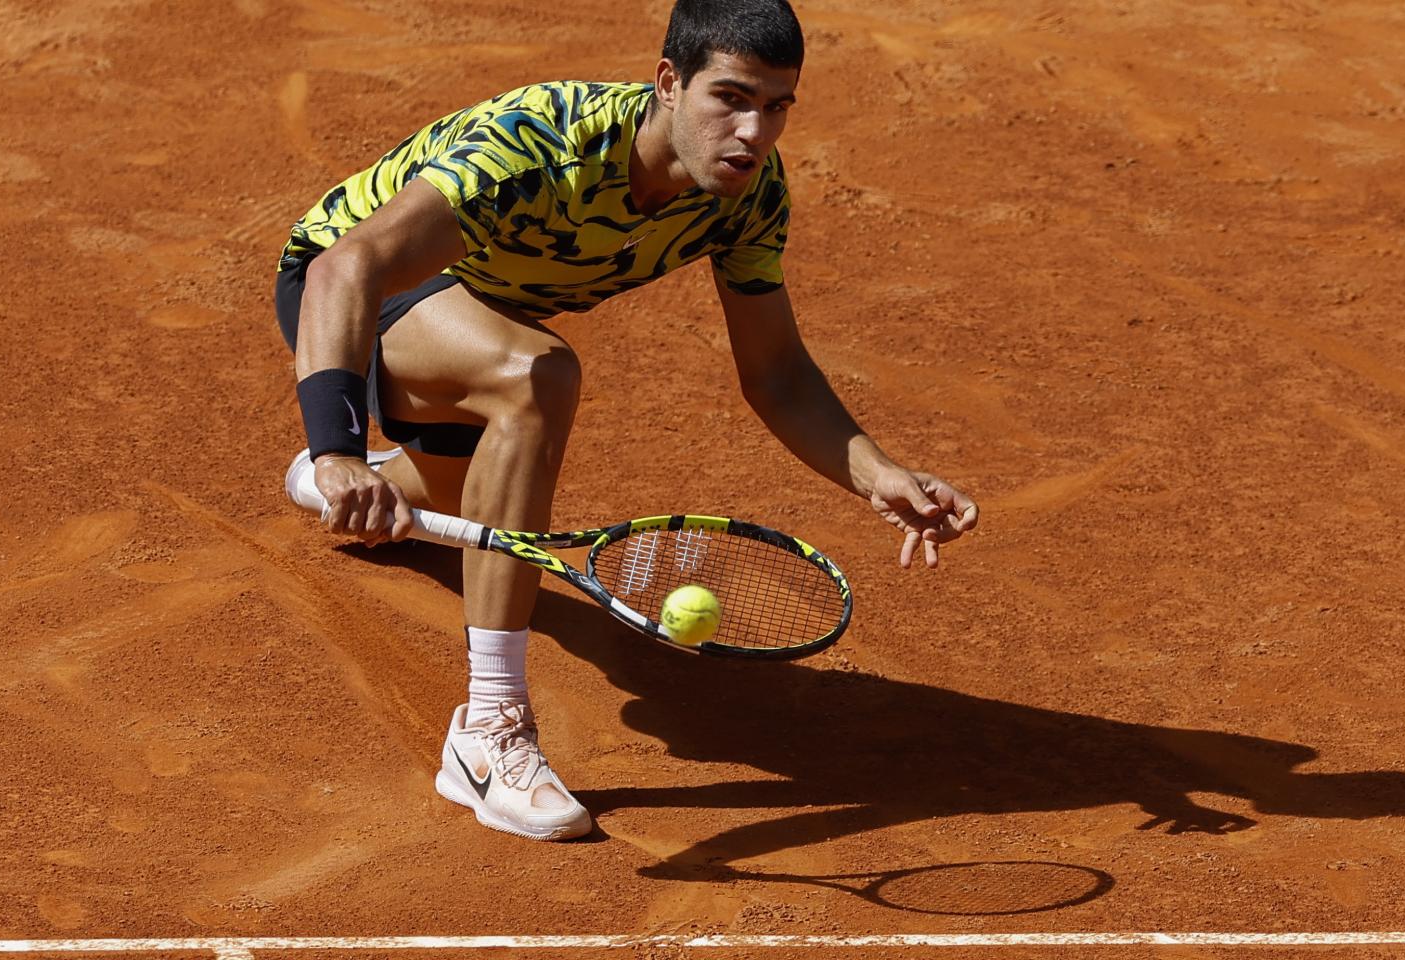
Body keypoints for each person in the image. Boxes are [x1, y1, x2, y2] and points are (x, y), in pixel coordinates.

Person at [274, 0, 979, 841]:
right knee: (535, 378)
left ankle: (373, 483)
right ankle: (488, 734)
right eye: (731, 97)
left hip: (478, 318)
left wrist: (879, 474)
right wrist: (336, 441)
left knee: (473, 478)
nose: (754, 132)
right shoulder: (542, 141)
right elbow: (346, 267)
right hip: (359, 296)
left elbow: (778, 374)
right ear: (669, 83)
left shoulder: (747, 197)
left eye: (778, 105)